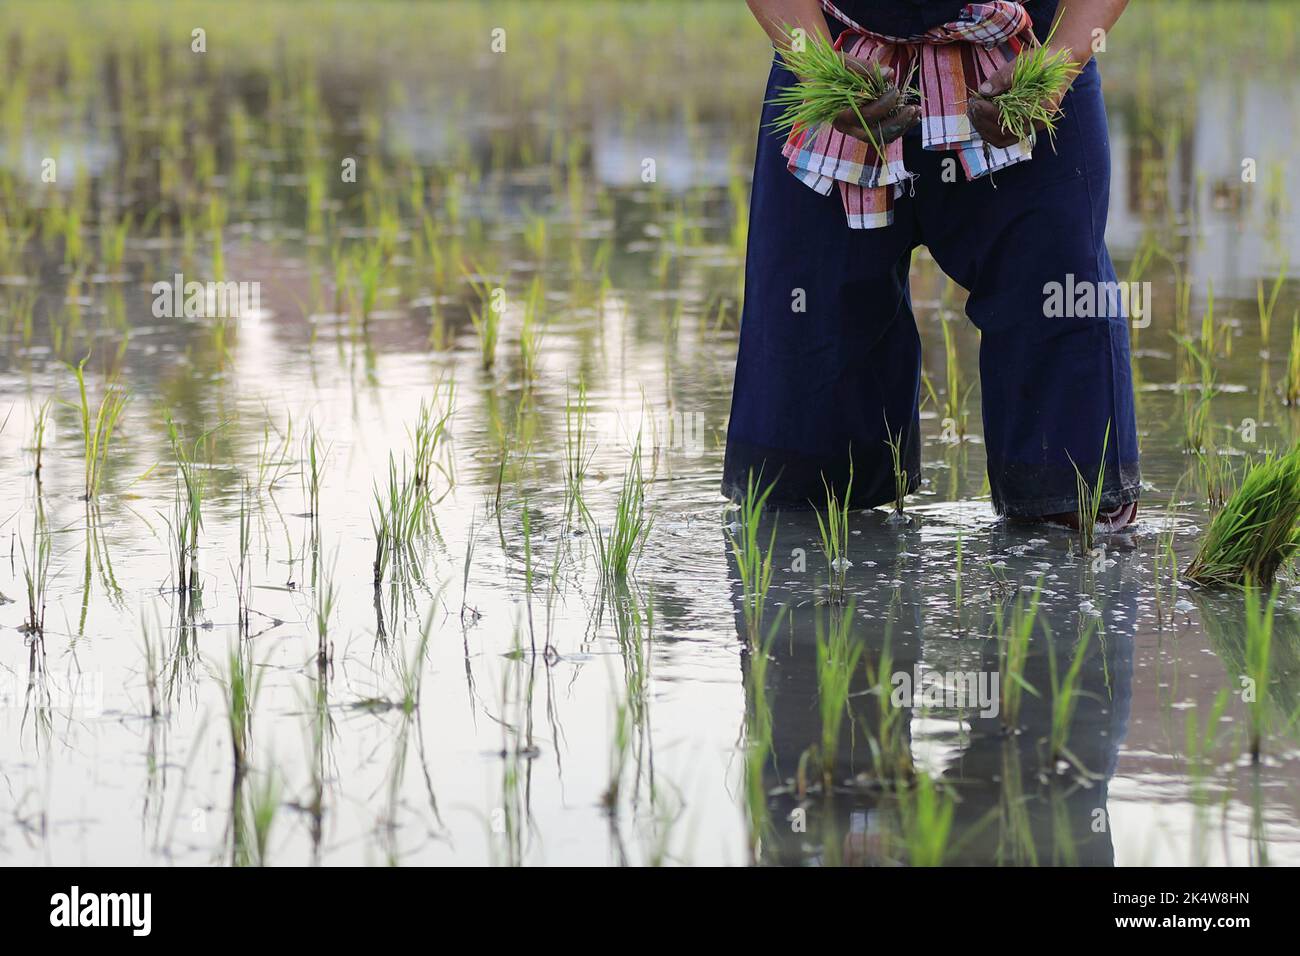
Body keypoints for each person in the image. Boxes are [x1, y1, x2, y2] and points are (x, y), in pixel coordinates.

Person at [725, 0, 1138, 530]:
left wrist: (1060, 62)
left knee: (1074, 494)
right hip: (835, 62)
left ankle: (1071, 592)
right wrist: (811, 58)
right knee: (799, 494)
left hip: (1026, 70)